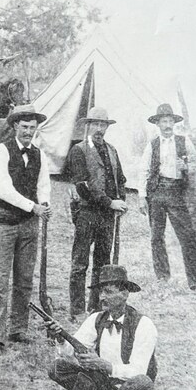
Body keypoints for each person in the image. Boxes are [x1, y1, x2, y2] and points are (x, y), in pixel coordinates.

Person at [47, 265, 157, 390]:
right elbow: (69, 352)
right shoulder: (96, 319)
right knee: (57, 368)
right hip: (103, 385)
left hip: (130, 386)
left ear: (125, 294)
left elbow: (139, 371)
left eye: (108, 292)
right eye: (100, 292)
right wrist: (60, 338)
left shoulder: (144, 324)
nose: (102, 298)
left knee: (143, 384)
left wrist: (104, 365)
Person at [0, 105, 51, 355]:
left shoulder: (39, 154)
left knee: (24, 280)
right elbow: (2, 189)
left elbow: (43, 184)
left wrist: (44, 203)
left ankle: (18, 328)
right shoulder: (1, 151)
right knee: (0, 282)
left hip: (30, 225)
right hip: (6, 223)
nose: (28, 132)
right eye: (24, 127)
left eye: (32, 128)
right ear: (15, 126)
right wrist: (33, 206)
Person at [66, 106, 128, 319]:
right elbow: (82, 186)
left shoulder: (112, 150)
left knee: (102, 264)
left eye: (103, 125)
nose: (99, 129)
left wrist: (121, 201)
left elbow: (121, 180)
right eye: (96, 124)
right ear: (88, 125)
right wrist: (109, 203)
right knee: (80, 263)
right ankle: (77, 310)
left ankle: (96, 308)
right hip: (87, 213)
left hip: (107, 217)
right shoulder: (78, 150)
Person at [139, 102, 196, 290]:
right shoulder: (152, 145)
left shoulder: (184, 141)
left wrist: (187, 167)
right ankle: (162, 277)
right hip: (156, 192)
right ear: (157, 124)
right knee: (156, 237)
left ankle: (195, 279)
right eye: (163, 122)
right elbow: (143, 170)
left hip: (176, 191)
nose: (167, 125)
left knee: (187, 235)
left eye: (170, 121)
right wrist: (142, 196)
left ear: (174, 123)